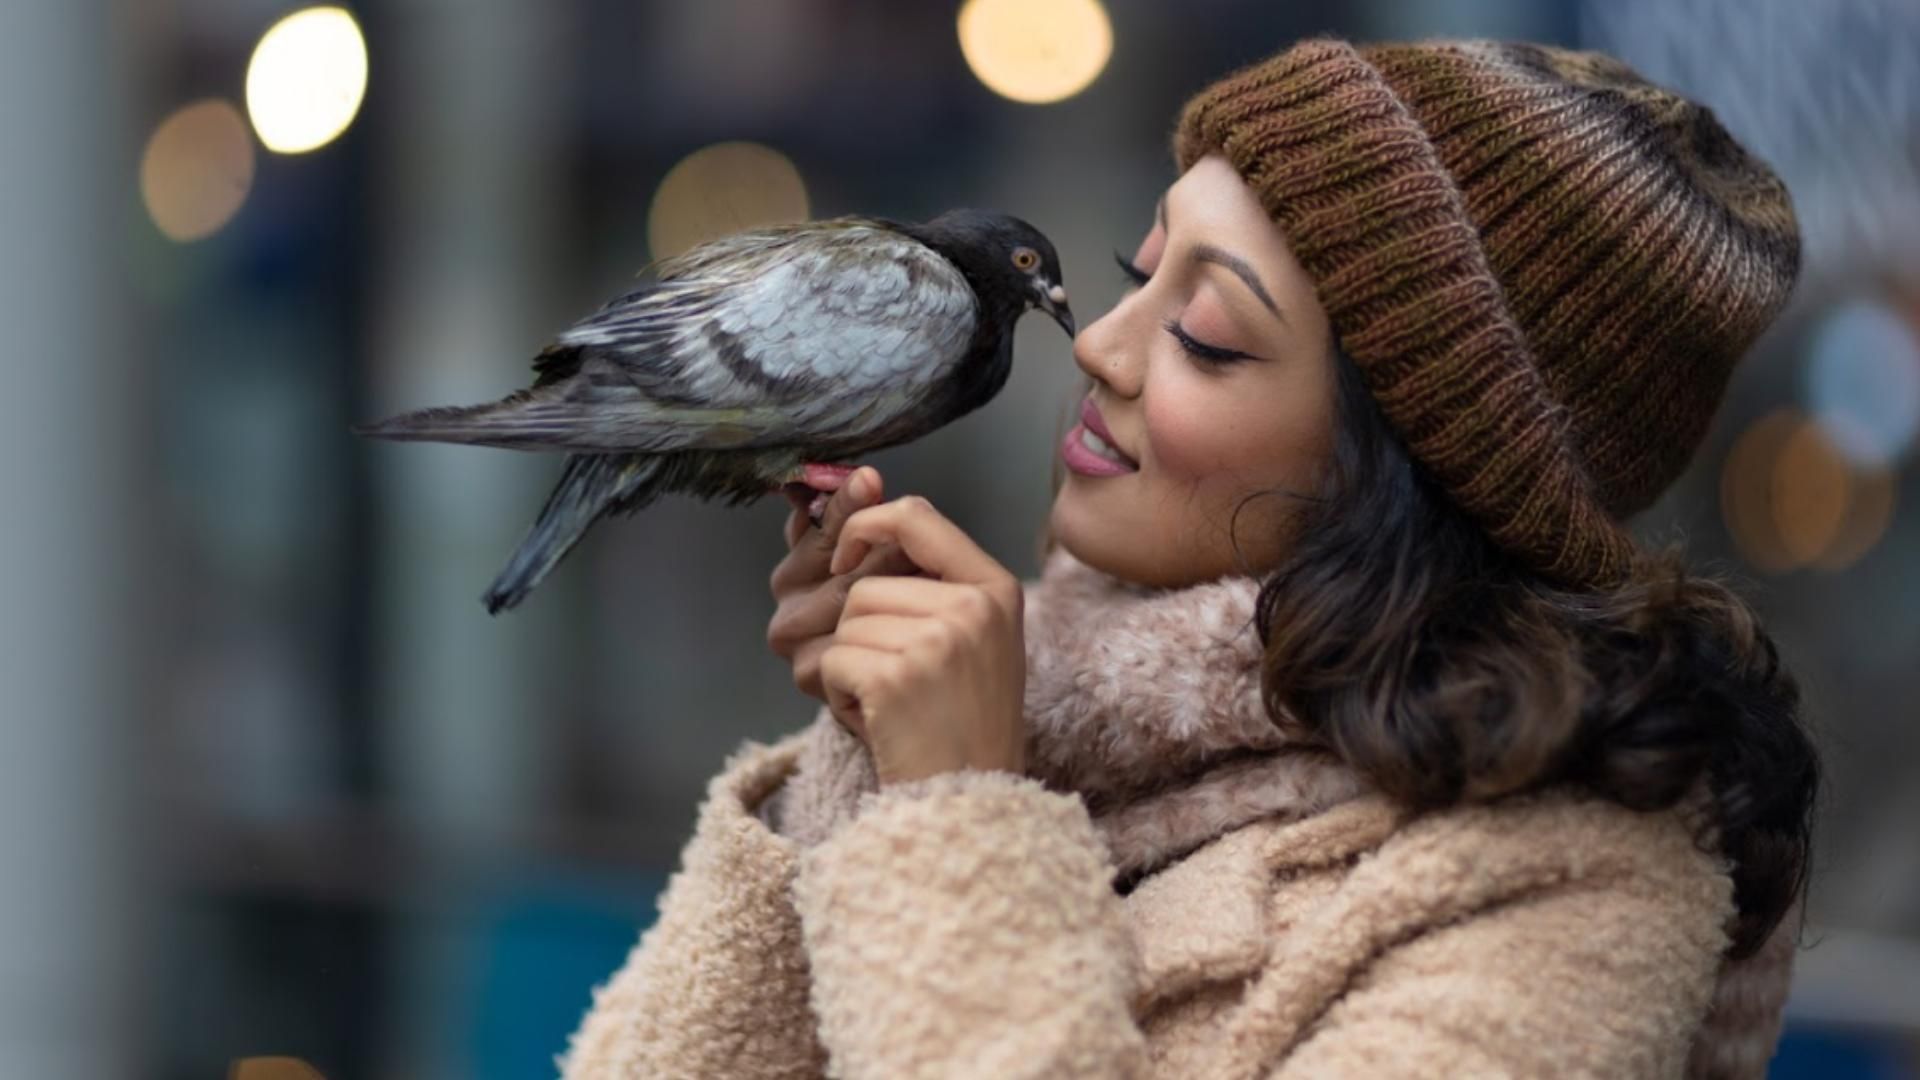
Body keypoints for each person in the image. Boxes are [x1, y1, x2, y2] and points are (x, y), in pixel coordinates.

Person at [560, 37, 1820, 1080]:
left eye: (1208, 336)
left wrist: (954, 819)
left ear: (1418, 466)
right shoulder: (1032, 684)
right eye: (1136, 273)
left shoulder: (1568, 904)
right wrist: (863, 765)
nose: (1101, 344)